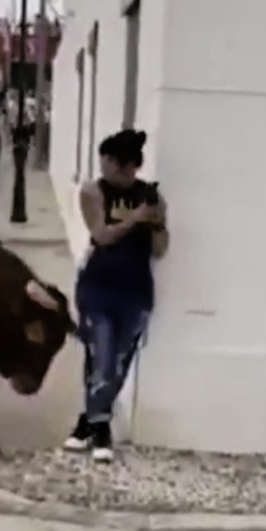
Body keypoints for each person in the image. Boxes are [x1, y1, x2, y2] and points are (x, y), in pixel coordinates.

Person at [62, 129, 168, 462]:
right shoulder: (93, 191)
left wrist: (156, 223)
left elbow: (160, 250)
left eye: (124, 167)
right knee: (102, 358)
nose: (116, 172)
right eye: (110, 164)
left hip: (136, 291)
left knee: (118, 365)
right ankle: (101, 430)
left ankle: (88, 423)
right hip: (97, 286)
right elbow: (102, 236)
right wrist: (135, 217)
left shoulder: (150, 198)